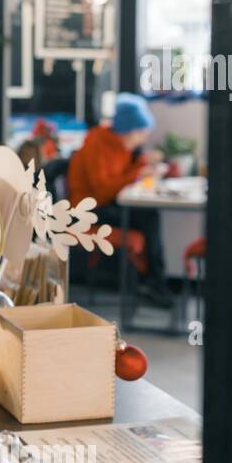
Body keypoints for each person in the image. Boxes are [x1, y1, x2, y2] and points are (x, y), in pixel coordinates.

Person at [68, 92, 172, 305]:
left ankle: (152, 281)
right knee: (149, 218)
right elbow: (102, 192)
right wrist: (138, 173)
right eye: (141, 134)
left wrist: (142, 165)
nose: (143, 139)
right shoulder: (97, 146)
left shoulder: (117, 145)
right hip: (86, 211)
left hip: (103, 203)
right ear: (129, 130)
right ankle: (154, 283)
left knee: (149, 216)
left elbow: (118, 179)